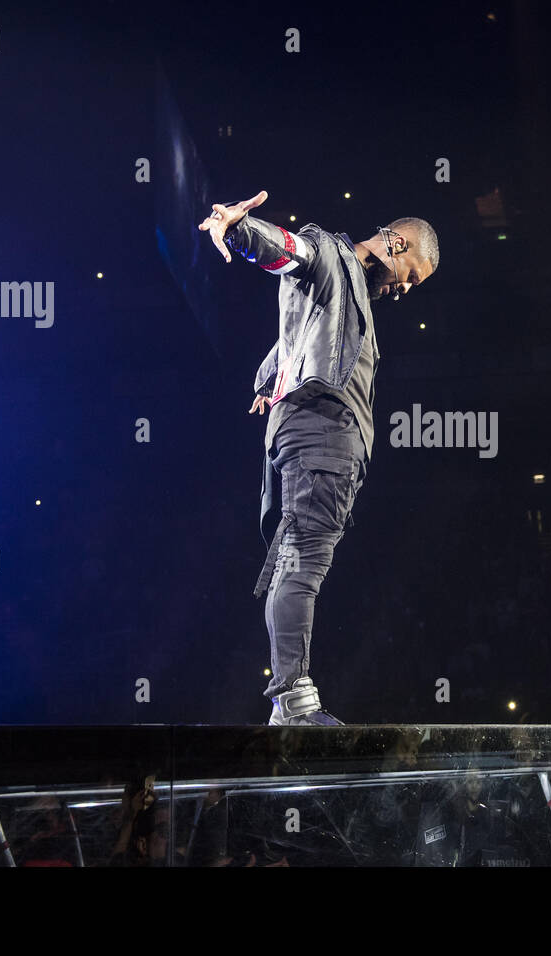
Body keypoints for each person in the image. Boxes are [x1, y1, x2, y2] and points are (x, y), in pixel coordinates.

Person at [199, 191, 438, 724]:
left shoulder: (337, 296)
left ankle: (290, 697)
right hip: (323, 434)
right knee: (302, 565)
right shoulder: (335, 257)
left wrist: (271, 381)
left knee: (296, 564)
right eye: (411, 276)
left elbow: (292, 341)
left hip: (312, 434)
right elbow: (290, 250)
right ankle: (293, 702)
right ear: (397, 243)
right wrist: (241, 230)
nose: (403, 290)